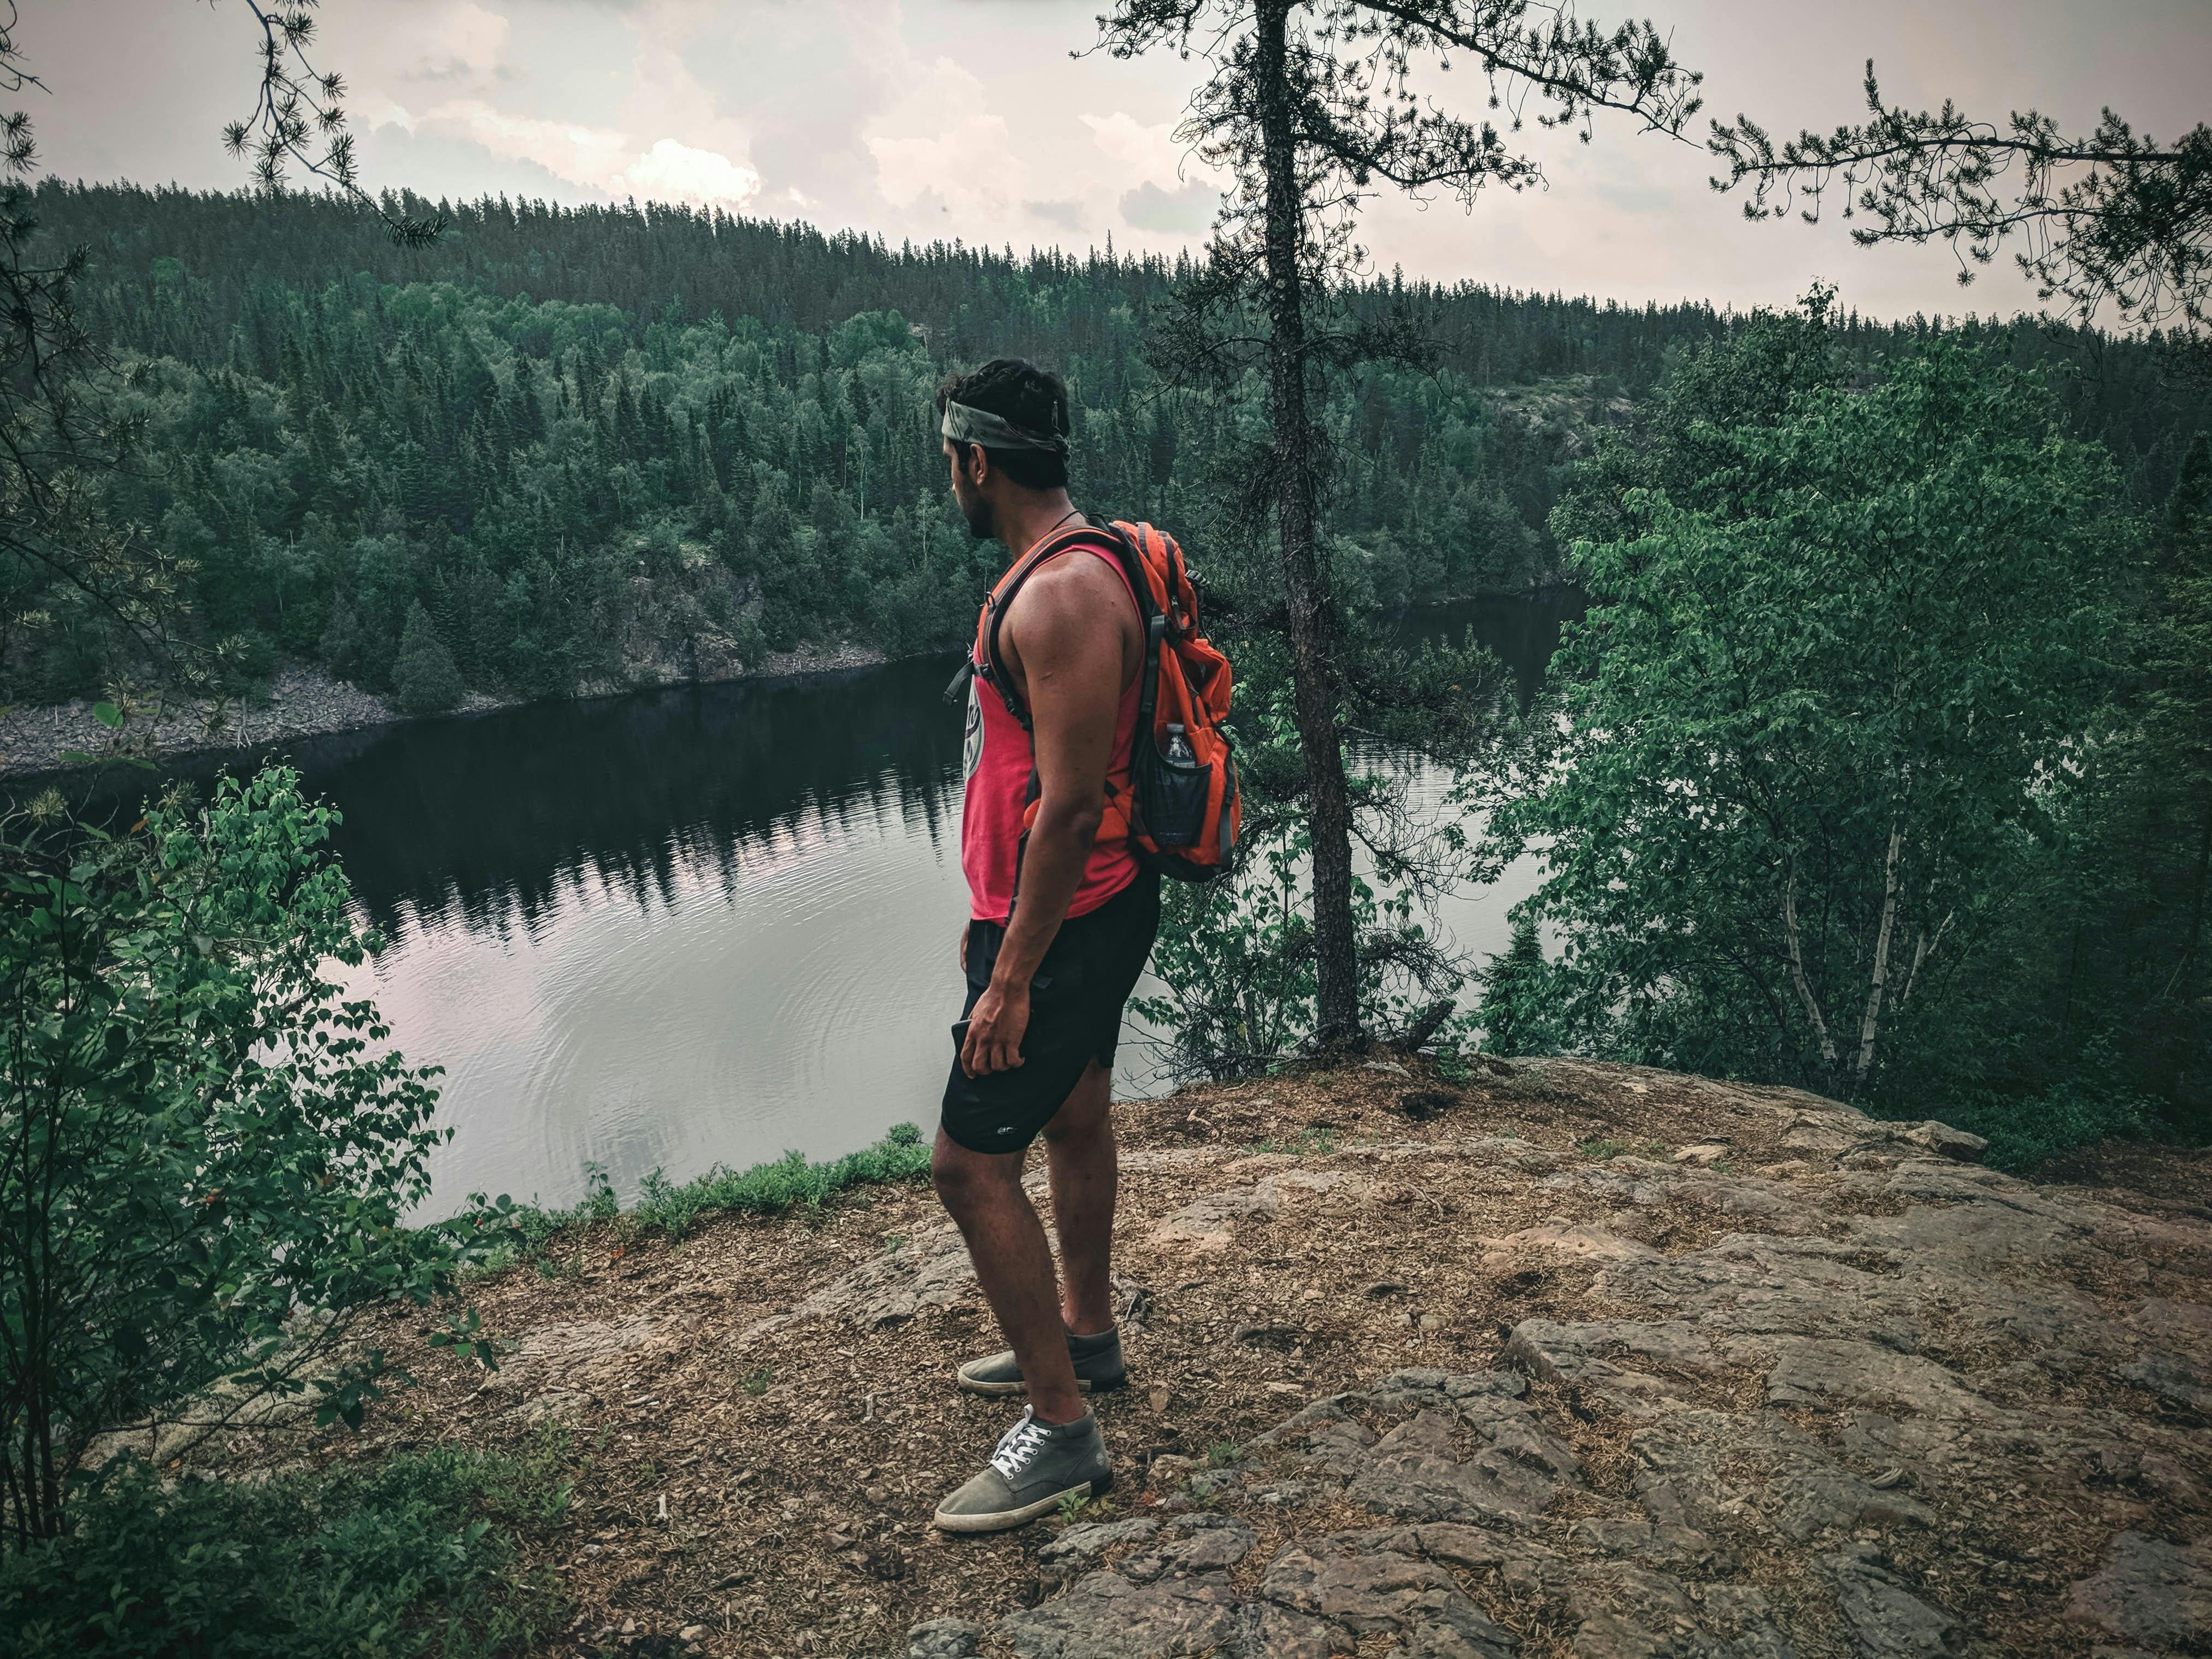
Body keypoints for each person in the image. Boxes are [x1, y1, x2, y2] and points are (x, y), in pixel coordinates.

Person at [927, 358, 1158, 1533]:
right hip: (1080, 913)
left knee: (967, 1169)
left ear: (976, 461)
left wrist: (1008, 980)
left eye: (948, 463)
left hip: (1058, 925)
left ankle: (1063, 1430)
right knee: (1073, 1117)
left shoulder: (1059, 595)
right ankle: (1086, 1339)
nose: (948, 483)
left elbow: (1067, 810)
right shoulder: (1073, 562)